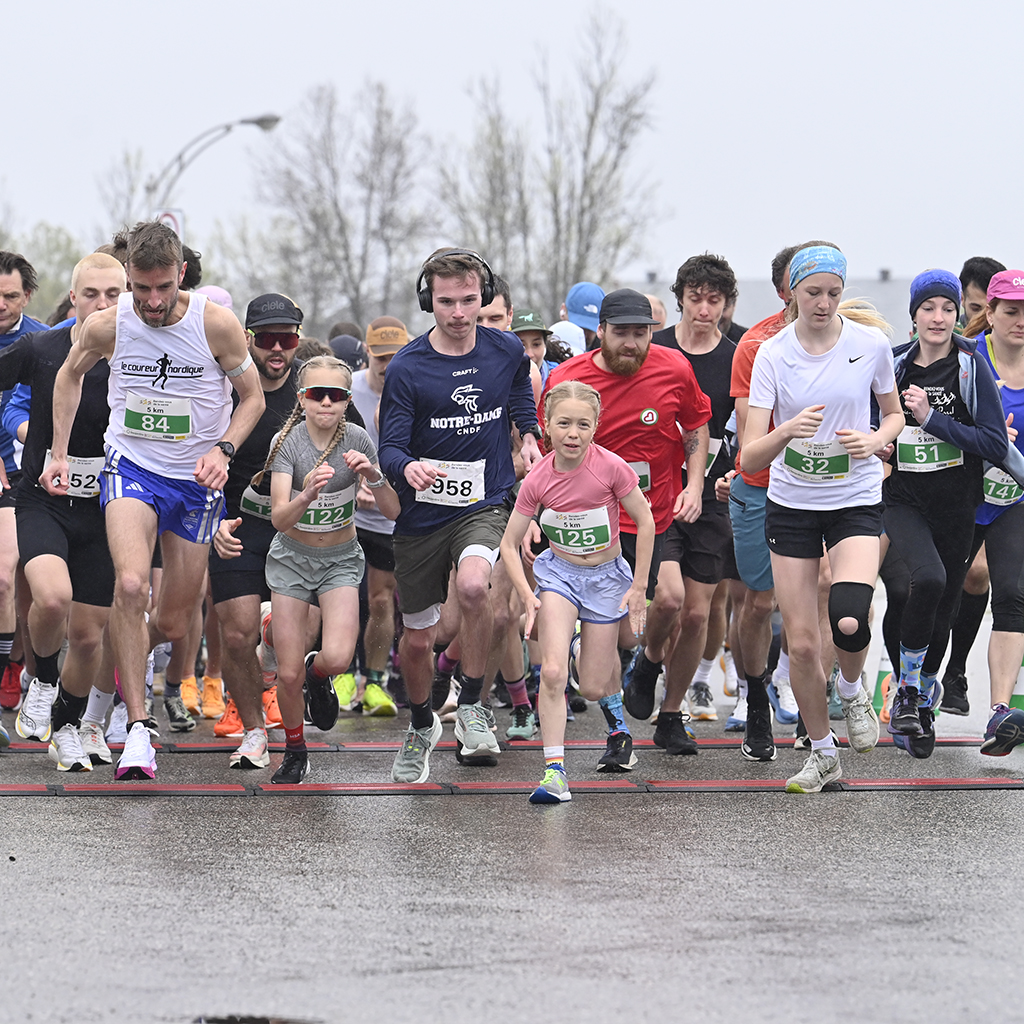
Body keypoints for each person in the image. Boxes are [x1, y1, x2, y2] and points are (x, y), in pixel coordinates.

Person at [42, 221, 265, 780]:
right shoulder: (108, 325)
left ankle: (95, 705)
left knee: (167, 621)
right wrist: (59, 453)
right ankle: (137, 730)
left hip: (195, 480)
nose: (152, 302)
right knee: (131, 586)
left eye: (162, 288)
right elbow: (67, 379)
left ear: (180, 274)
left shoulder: (214, 324)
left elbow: (254, 397)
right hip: (132, 468)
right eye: (140, 289)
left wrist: (224, 448)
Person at [740, 244, 904, 793]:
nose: (825, 303)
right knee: (804, 645)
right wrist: (786, 432)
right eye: (814, 293)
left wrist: (878, 440)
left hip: (854, 494)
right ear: (792, 294)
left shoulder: (870, 344)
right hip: (792, 505)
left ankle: (855, 693)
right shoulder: (773, 354)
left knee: (851, 614)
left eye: (834, 293)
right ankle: (822, 752)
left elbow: (895, 413)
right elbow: (749, 456)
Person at [378, 248, 542, 784]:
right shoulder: (407, 366)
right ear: (429, 301)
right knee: (420, 638)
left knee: (476, 589)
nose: (458, 313)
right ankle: (423, 723)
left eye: (469, 300)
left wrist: (531, 434)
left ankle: (472, 703)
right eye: (445, 302)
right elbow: (390, 450)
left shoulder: (504, 350)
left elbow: (519, 388)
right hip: (423, 516)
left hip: (484, 501)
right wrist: (411, 467)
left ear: (483, 297)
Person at [543, 288, 711, 770]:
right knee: (614, 634)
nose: (632, 344)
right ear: (601, 332)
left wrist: (694, 485)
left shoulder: (674, 368)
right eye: (622, 334)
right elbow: (551, 447)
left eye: (642, 333)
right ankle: (618, 727)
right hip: (593, 523)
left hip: (651, 514)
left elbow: (695, 425)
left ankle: (649, 666)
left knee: (673, 599)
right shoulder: (570, 379)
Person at [884, 270, 1024, 757]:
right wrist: (880, 445)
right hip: (903, 499)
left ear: (959, 314)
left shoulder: (970, 367)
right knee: (927, 581)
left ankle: (923, 696)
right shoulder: (894, 364)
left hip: (957, 503)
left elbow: (990, 442)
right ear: (914, 315)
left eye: (947, 308)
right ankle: (905, 690)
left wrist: (932, 420)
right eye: (929, 308)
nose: (939, 317)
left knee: (944, 610)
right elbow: (869, 422)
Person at [500, 380, 653, 803]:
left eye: (582, 425)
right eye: (563, 423)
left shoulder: (612, 468)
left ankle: (580, 644)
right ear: (546, 427)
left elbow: (646, 522)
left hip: (605, 580)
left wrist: (639, 585)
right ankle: (554, 772)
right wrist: (527, 594)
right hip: (559, 577)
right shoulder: (538, 479)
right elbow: (509, 545)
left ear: (596, 427)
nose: (573, 433)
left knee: (591, 687)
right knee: (551, 672)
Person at [0, 254, 124, 767]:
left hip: (107, 504)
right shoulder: (43, 346)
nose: (101, 305)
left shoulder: (142, 353)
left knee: (89, 635)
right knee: (51, 600)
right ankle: (43, 680)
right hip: (42, 497)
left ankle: (68, 726)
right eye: (90, 294)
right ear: (72, 299)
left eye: (113, 295)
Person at [255, 355, 399, 784]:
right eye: (316, 395)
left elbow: (393, 510)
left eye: (335, 396)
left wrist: (372, 476)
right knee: (288, 668)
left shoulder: (357, 437)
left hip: (339, 560)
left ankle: (320, 677)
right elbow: (279, 518)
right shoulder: (287, 444)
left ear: (346, 400)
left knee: (335, 657)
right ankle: (295, 750)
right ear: (302, 398)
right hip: (292, 560)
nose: (326, 403)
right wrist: (306, 495)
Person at [636, 253, 738, 747]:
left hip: (713, 494)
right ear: (680, 299)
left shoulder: (736, 357)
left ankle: (671, 712)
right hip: (655, 492)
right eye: (695, 298)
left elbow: (745, 427)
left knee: (698, 613)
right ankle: (649, 658)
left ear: (725, 303)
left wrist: (733, 477)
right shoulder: (650, 348)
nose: (703, 308)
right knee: (670, 599)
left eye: (713, 300)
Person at [209, 293, 309, 769]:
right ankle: (253, 731)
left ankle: (289, 663)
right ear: (247, 339)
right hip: (236, 524)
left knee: (297, 637)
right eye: (265, 339)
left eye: (285, 338)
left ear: (299, 340)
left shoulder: (317, 393)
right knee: (235, 636)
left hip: (299, 532)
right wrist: (213, 526)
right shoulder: (222, 391)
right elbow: (196, 463)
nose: (276, 349)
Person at [940, 254, 1011, 713]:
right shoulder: (961, 352)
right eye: (973, 306)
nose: (978, 315)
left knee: (984, 575)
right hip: (959, 484)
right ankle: (925, 675)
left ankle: (958, 674)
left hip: (1010, 493)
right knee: (941, 582)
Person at [348, 316, 410, 716]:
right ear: (367, 352)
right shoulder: (349, 390)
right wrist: (354, 487)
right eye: (381, 356)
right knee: (342, 599)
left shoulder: (416, 383)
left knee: (383, 600)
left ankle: (375, 681)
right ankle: (340, 675)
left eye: (396, 356)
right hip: (352, 517)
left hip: (394, 518)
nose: (388, 365)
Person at [0, 252, 48, 713]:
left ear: (27, 296)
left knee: (16, 576)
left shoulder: (41, 341)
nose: (0, 304)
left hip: (21, 471)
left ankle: (22, 665)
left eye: (10, 296)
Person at [560, 281, 604, 350]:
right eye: (578, 326)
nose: (582, 334)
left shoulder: (607, 357)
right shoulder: (544, 353)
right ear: (563, 311)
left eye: (589, 329)